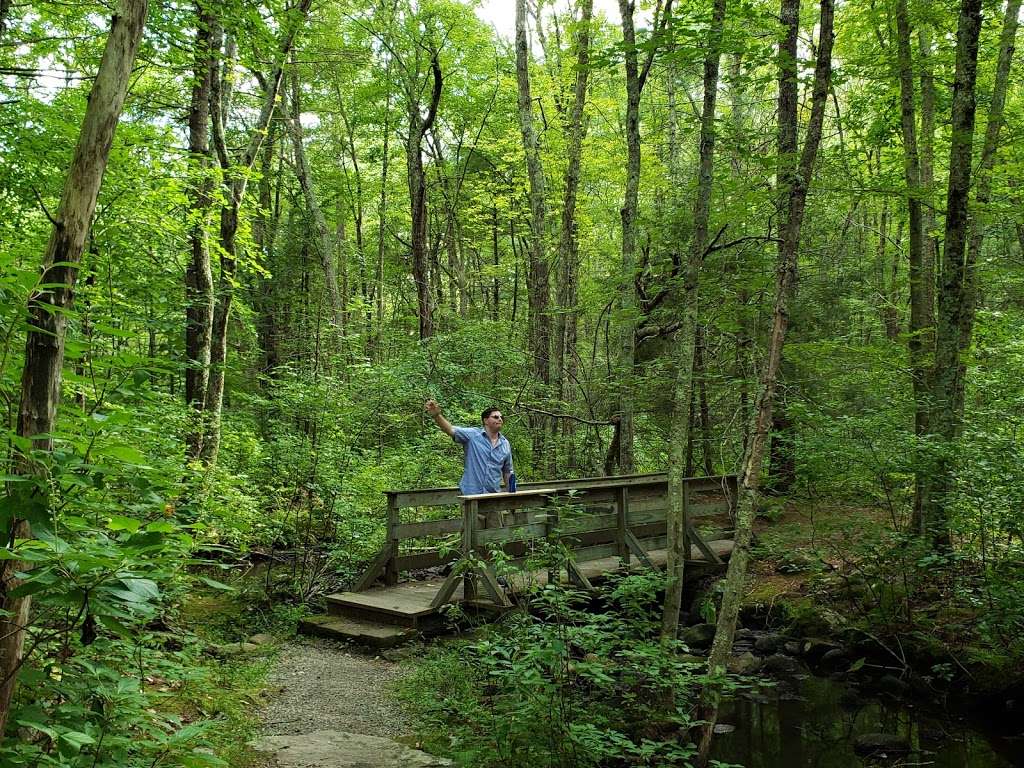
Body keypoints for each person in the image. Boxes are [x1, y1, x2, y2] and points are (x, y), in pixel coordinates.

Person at [425, 399, 513, 494]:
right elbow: (450, 430)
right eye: (495, 417)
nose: (500, 419)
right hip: (471, 495)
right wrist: (437, 416)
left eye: (501, 417)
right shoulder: (473, 435)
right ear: (486, 420)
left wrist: (512, 495)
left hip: (493, 496)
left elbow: (508, 472)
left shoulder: (505, 444)